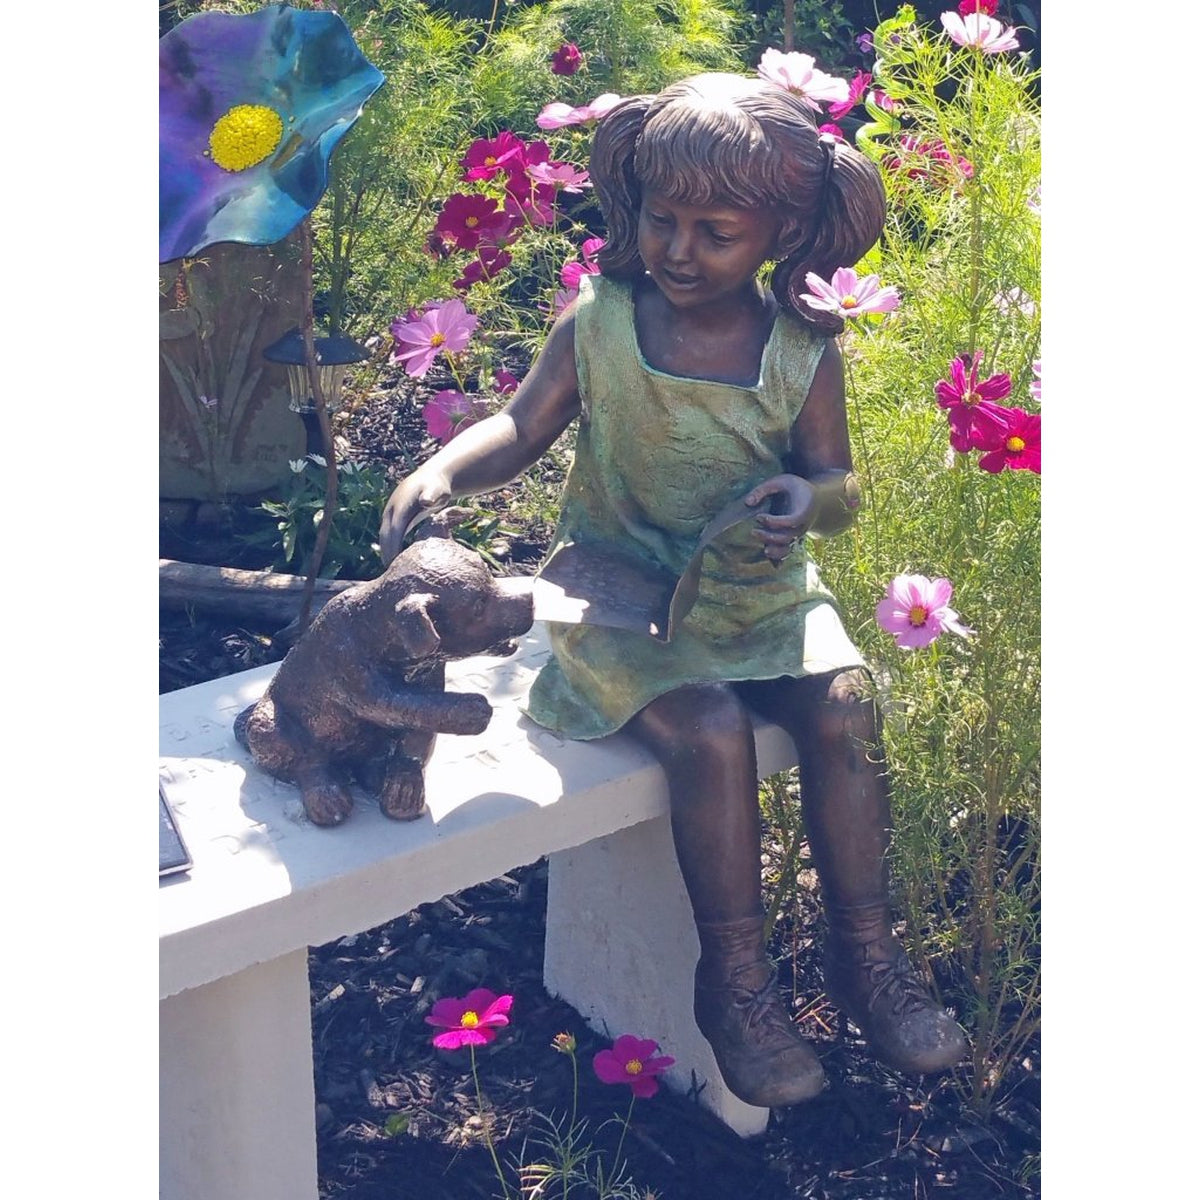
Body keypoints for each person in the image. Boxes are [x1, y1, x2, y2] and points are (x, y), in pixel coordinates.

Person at [380, 72, 967, 1107]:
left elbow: (839, 486)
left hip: (759, 596)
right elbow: (521, 428)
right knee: (708, 730)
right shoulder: (601, 324)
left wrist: (805, 499)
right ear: (635, 210)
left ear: (781, 233)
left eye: (717, 231)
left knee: (844, 707)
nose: (681, 252)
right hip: (619, 597)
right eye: (664, 221)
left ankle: (866, 957)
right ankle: (734, 985)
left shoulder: (800, 350)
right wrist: (441, 469)